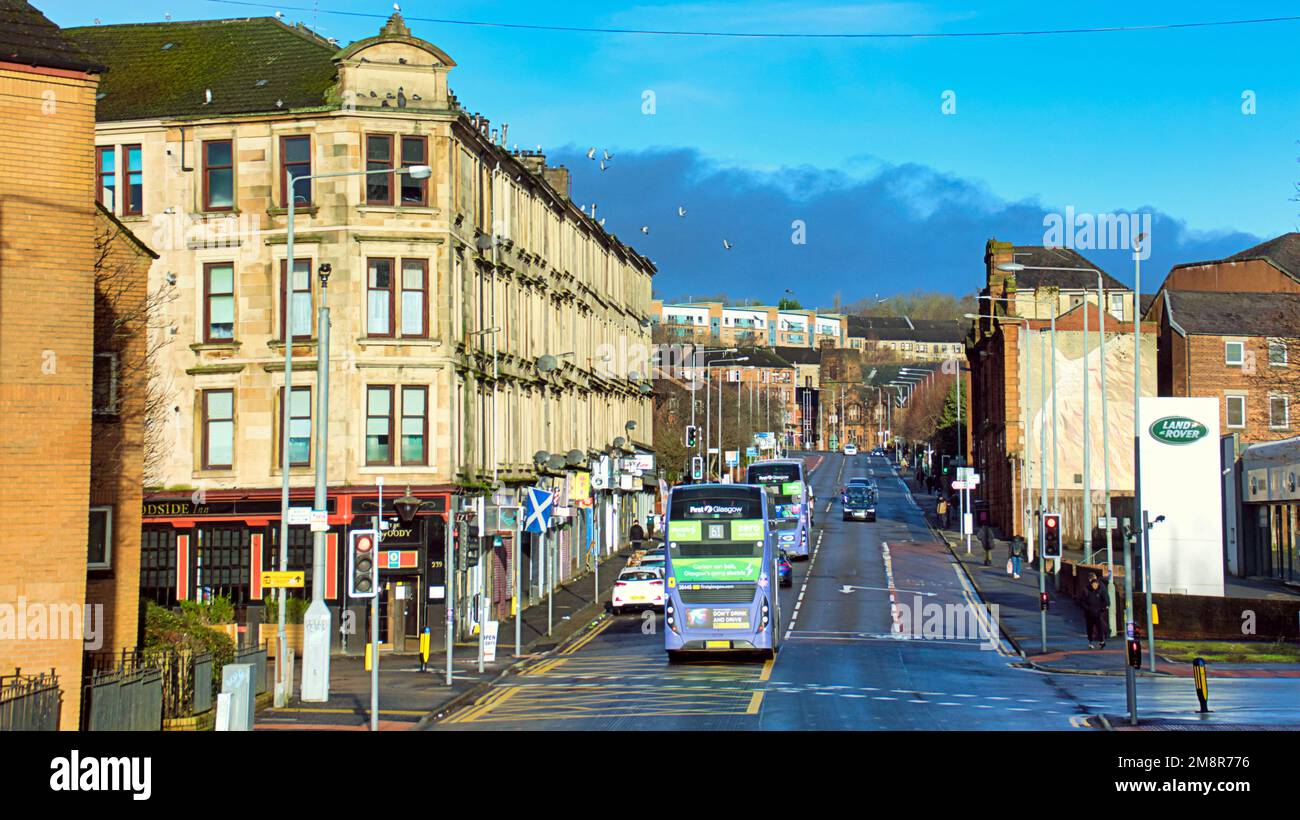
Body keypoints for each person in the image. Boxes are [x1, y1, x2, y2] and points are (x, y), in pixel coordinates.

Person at [1081, 572, 1110, 649]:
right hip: (1090, 613)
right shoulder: (1087, 589)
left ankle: (1101, 639)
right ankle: (1093, 641)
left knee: (1099, 626)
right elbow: (1082, 600)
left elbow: (1105, 597)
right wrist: (1087, 608)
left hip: (1097, 611)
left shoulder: (1100, 587)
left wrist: (1105, 606)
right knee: (1091, 627)